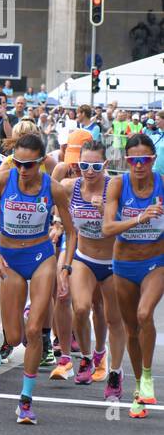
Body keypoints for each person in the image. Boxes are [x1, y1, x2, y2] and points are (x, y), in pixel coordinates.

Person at [0, 133, 76, 424]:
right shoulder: (1, 180)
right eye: (18, 162)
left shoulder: (54, 188)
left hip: (41, 256)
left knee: (34, 332)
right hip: (9, 258)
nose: (22, 170)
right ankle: (30, 311)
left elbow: (72, 231)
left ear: (41, 162)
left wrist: (65, 266)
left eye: (29, 165)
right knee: (14, 337)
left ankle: (26, 399)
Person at [101, 133, 164, 418]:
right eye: (133, 160)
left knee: (143, 314)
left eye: (145, 159)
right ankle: (139, 386)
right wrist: (139, 218)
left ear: (153, 160)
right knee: (131, 331)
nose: (139, 165)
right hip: (124, 264)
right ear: (127, 161)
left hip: (155, 262)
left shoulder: (162, 185)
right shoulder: (118, 184)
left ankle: (149, 376)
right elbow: (108, 228)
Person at [56, 139, 123, 397]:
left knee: (110, 316)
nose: (90, 170)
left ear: (105, 164)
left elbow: (127, 220)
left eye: (96, 165)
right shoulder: (70, 187)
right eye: (84, 164)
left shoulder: (114, 187)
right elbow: (51, 192)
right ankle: (85, 357)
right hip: (84, 257)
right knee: (81, 307)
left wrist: (107, 210)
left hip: (113, 262)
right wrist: (55, 225)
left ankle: (108, 363)